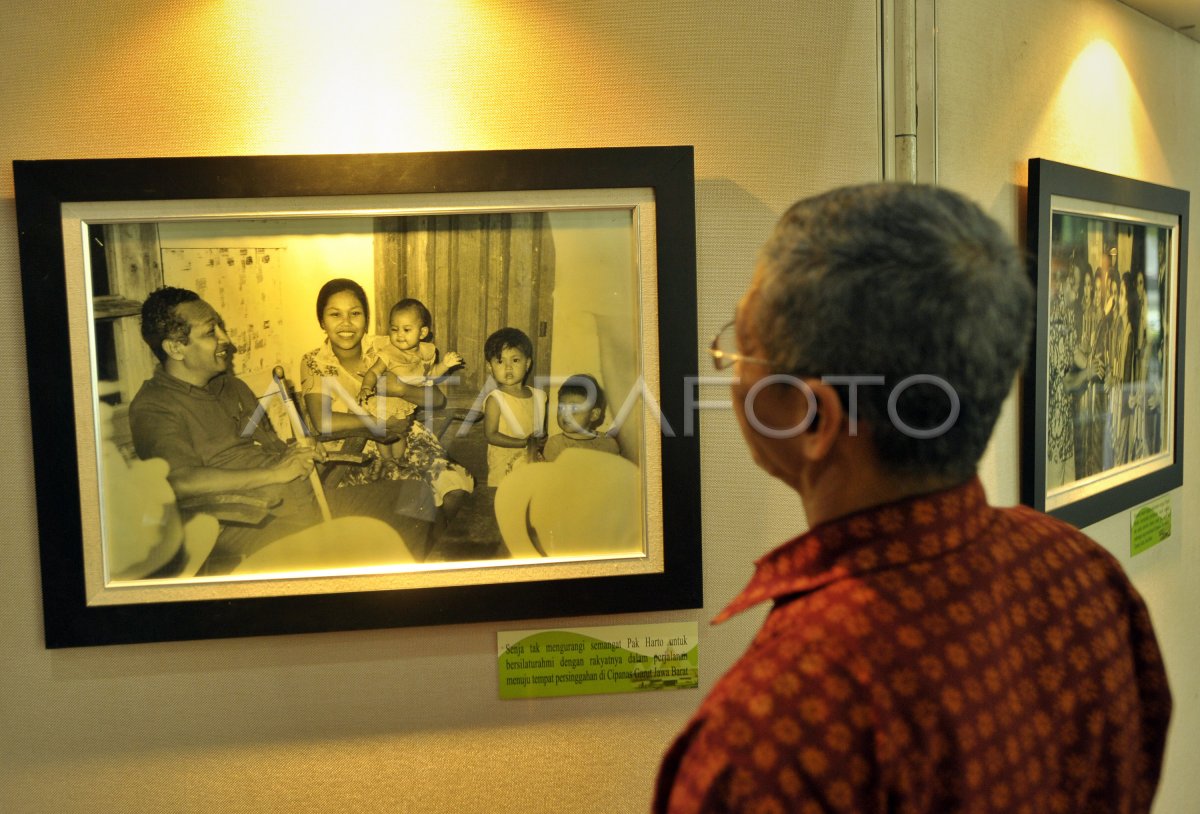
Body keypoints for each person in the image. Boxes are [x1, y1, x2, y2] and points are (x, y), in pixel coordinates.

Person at [653, 184, 1171, 813]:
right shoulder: (1083, 575)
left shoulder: (773, 731)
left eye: (741, 350)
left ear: (814, 419)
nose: (730, 374)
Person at [128, 286, 412, 574]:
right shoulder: (154, 406)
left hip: (306, 501)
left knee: (414, 498)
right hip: (255, 523)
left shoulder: (232, 387)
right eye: (211, 332)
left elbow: (274, 449)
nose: (227, 340)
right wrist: (276, 474)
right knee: (373, 546)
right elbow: (179, 481)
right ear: (175, 348)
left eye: (220, 328)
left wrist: (304, 450)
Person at [299, 279, 473, 521]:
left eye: (355, 313)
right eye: (335, 314)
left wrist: (400, 388)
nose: (346, 323)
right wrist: (378, 423)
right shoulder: (314, 362)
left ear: (366, 319)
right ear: (322, 321)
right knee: (414, 503)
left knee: (455, 487)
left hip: (406, 438)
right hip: (356, 454)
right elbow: (322, 421)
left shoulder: (389, 345)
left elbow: (436, 399)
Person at [357, 297, 465, 460]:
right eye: (394, 329)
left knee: (400, 435)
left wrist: (445, 365)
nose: (399, 335)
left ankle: (398, 460)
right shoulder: (388, 353)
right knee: (381, 434)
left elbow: (430, 376)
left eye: (406, 330)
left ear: (422, 332)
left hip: (404, 404)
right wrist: (366, 387)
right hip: (384, 405)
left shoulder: (425, 353)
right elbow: (373, 372)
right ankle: (386, 460)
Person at [481, 327, 547, 486]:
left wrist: (541, 439)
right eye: (500, 361)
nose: (508, 367)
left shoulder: (539, 396)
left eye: (515, 360)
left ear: (527, 364)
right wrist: (523, 443)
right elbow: (491, 435)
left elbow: (539, 431)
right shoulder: (495, 400)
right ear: (490, 367)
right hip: (504, 466)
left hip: (531, 462)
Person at [541, 374, 621, 462]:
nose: (565, 414)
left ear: (594, 414)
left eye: (574, 408)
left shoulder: (608, 444)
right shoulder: (555, 444)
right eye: (562, 408)